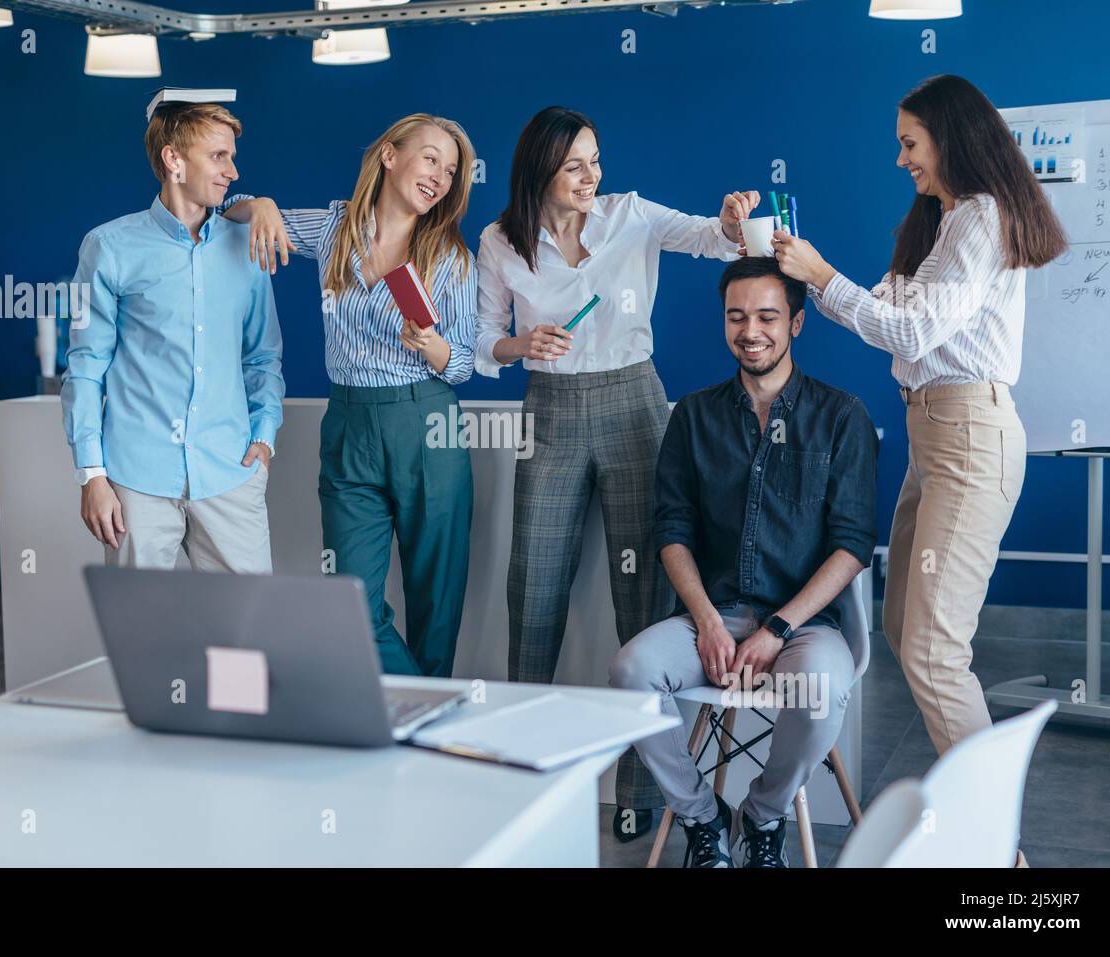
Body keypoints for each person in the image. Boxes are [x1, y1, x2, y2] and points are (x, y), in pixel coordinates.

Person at [474, 105, 759, 839]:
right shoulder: (501, 240)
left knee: (645, 596)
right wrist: (522, 345)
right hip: (549, 407)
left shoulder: (630, 214)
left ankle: (643, 790)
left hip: (636, 404)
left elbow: (707, 238)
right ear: (540, 168)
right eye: (574, 164)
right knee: (533, 585)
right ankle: (525, 766)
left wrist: (732, 223)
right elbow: (484, 341)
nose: (591, 176)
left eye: (595, 160)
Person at [772, 74, 1067, 762]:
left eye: (910, 143)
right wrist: (811, 276)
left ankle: (991, 825)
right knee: (905, 628)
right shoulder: (944, 221)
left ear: (950, 137)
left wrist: (821, 275)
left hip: (968, 434)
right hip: (934, 435)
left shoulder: (980, 218)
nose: (900, 158)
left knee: (934, 651)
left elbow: (909, 333)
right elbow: (884, 312)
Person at [609, 256, 878, 868]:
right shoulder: (693, 415)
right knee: (630, 671)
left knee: (819, 691)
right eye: (736, 317)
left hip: (806, 625)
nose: (750, 331)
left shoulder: (842, 416)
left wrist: (777, 628)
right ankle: (703, 816)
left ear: (796, 324)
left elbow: (853, 545)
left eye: (766, 316)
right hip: (716, 616)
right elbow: (672, 529)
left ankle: (763, 814)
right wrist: (706, 620)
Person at [225, 114, 478, 677]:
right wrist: (260, 203)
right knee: (351, 604)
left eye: (450, 170)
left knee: (436, 607)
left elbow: (464, 365)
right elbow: (230, 211)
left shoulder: (451, 257)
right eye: (431, 158)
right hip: (348, 422)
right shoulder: (333, 229)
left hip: (427, 422)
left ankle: (423, 724)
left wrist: (434, 345)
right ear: (389, 155)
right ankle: (431, 702)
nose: (440, 177)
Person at [62, 101, 284, 573]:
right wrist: (92, 475)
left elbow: (262, 357)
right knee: (137, 620)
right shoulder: (108, 247)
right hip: (136, 481)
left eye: (232, 157)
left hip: (230, 474)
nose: (233, 171)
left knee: (250, 618)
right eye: (219, 156)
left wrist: (264, 438)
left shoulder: (246, 245)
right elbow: (85, 366)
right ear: (173, 160)